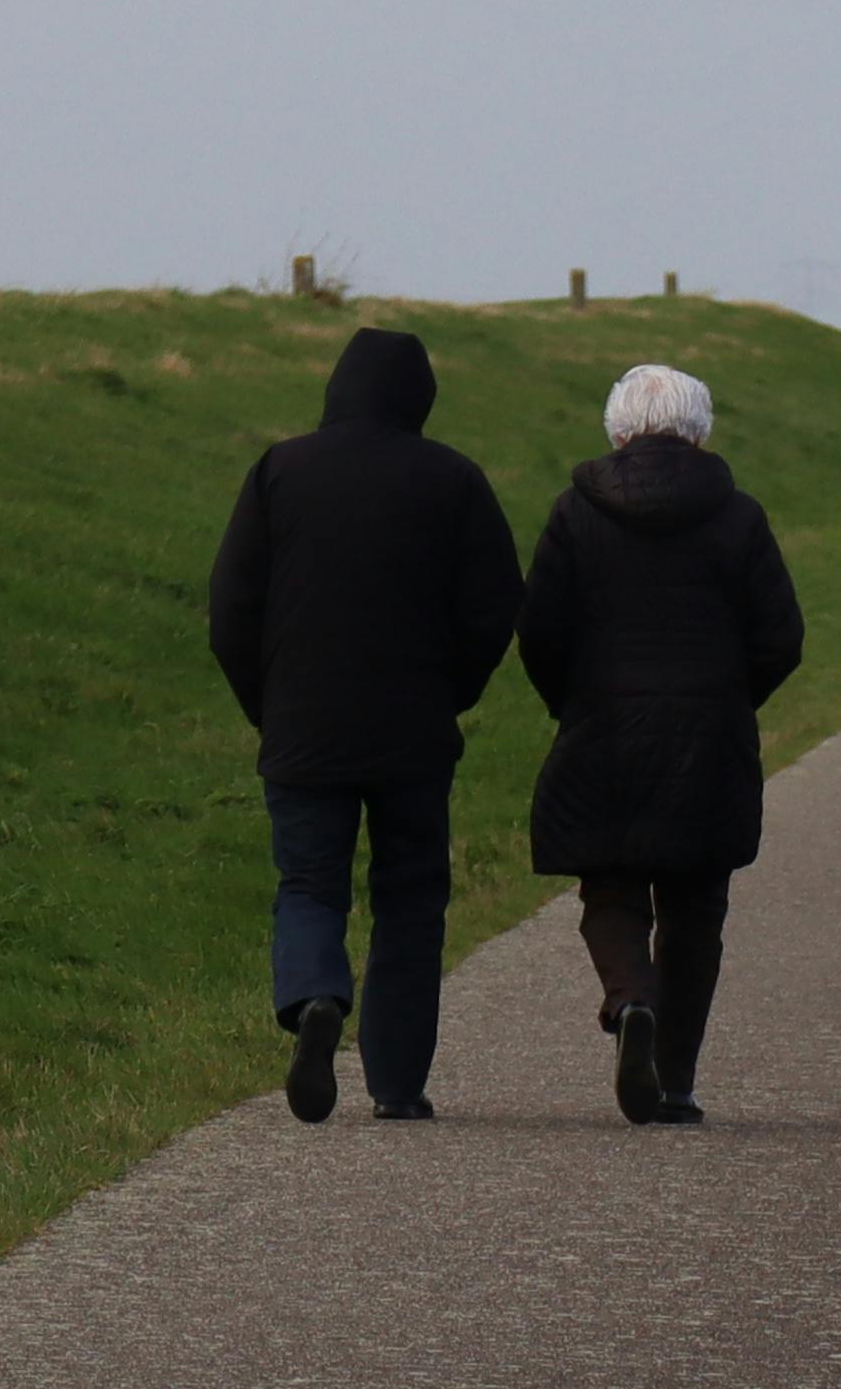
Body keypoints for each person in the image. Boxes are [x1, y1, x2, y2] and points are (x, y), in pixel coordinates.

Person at [208, 327, 525, 1121]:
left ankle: (317, 997)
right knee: (411, 897)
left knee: (311, 883)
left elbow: (231, 610)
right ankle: (397, 1081)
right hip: (413, 731)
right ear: (421, 397)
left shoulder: (280, 471)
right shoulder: (454, 479)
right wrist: (452, 690)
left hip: (303, 728)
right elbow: (494, 608)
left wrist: (268, 706)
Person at [520, 360, 806, 1125]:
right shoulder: (738, 515)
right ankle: (674, 1080)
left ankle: (629, 997)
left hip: (602, 729)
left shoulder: (572, 513)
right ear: (701, 432)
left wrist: (571, 703)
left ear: (616, 430)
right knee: (695, 907)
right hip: (708, 739)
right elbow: (781, 638)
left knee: (609, 887)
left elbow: (540, 631)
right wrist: (730, 699)